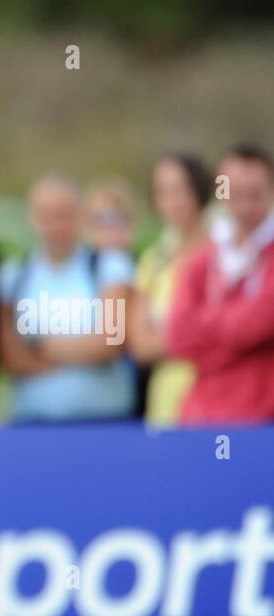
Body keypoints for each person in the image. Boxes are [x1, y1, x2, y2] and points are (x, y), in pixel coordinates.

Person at [0, 175, 136, 423]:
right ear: (32, 218)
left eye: (65, 214)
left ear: (81, 216)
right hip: (33, 419)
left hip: (104, 420)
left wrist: (37, 346)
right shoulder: (13, 276)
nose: (57, 224)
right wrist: (82, 353)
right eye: (47, 215)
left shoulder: (110, 266)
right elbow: (9, 358)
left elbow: (110, 342)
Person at [167, 143, 274, 424]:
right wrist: (242, 337)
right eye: (235, 193)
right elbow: (178, 337)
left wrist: (207, 324)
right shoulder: (201, 261)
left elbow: (256, 323)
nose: (244, 206)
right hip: (201, 418)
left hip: (263, 419)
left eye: (254, 194)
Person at [126, 154, 211, 426]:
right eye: (163, 192)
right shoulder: (153, 261)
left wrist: (165, 336)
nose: (173, 201)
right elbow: (140, 345)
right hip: (165, 400)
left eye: (180, 190)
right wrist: (201, 334)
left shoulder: (227, 255)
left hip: (217, 395)